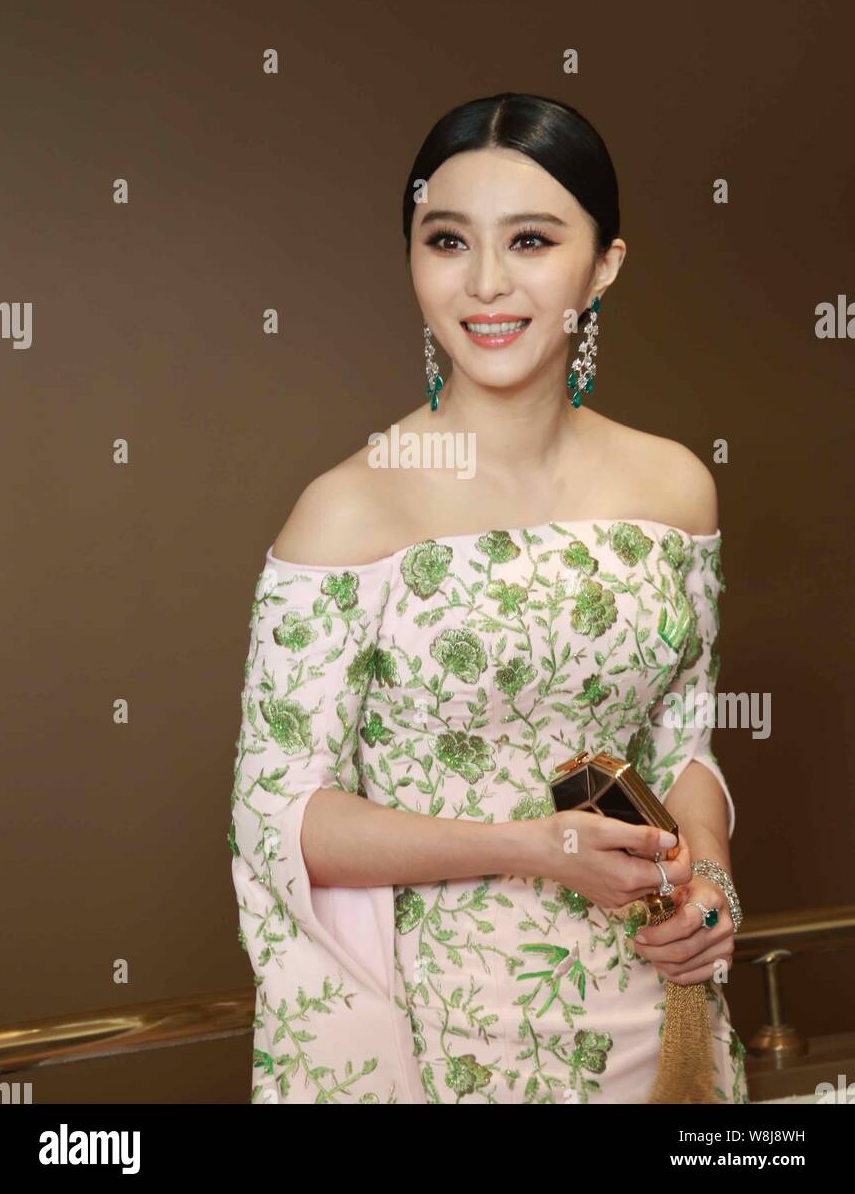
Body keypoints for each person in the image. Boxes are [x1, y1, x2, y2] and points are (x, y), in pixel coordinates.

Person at [229, 92, 748, 1104]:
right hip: (446, 1031)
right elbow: (279, 815)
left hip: (657, 1008)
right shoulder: (346, 510)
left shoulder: (674, 488)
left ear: (601, 264)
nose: (484, 282)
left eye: (530, 239)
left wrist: (711, 884)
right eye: (445, 240)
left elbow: (683, 743)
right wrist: (531, 848)